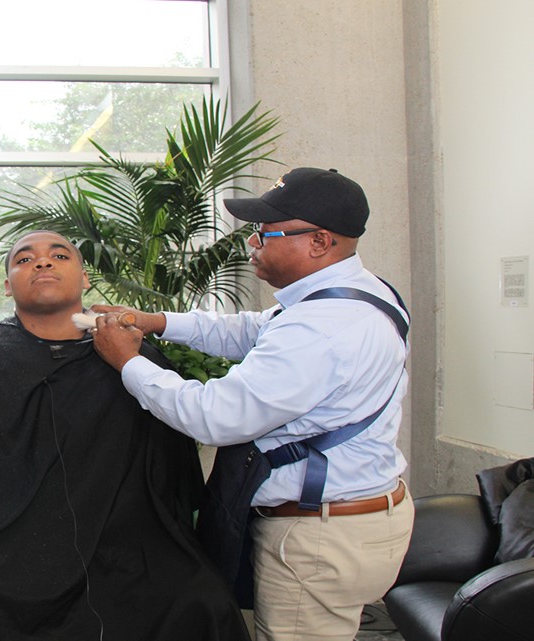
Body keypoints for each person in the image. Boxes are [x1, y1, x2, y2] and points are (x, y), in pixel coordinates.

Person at [91, 167, 415, 641]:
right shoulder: (356, 293)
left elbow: (214, 416)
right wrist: (157, 320)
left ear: (320, 242)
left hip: (318, 540)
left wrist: (128, 363)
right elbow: (251, 331)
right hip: (356, 517)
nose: (252, 244)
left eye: (266, 232)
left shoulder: (322, 327)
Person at [0, 231, 250, 641]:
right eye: (25, 259)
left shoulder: (136, 359)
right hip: (1, 544)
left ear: (84, 278)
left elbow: (170, 480)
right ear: (8, 286)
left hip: (127, 544)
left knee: (201, 599)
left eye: (59, 255)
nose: (43, 263)